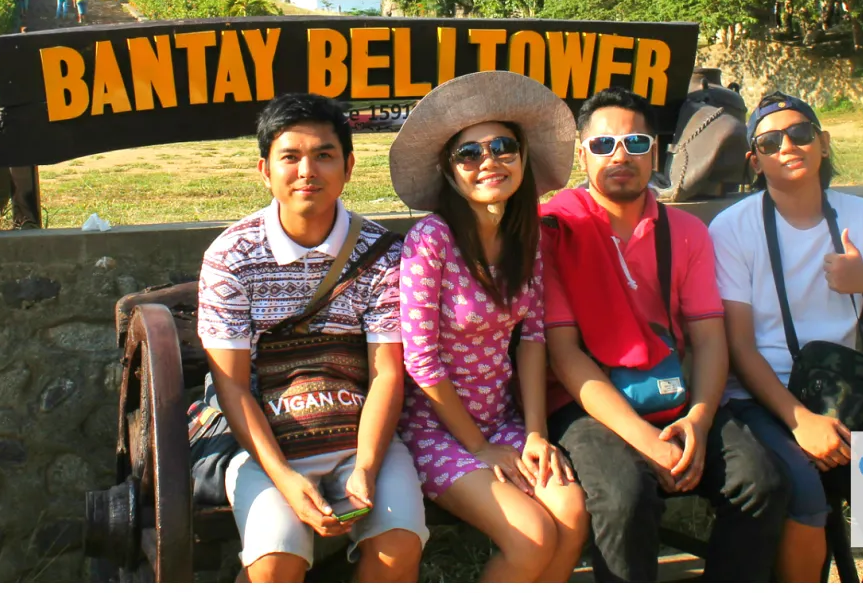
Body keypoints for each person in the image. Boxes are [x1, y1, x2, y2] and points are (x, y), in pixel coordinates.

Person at [542, 86, 789, 582]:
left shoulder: (684, 232)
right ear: (581, 154)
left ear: (655, 152)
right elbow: (565, 355)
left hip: (669, 389)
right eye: (603, 145)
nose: (620, 156)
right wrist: (648, 443)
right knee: (623, 496)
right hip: (585, 397)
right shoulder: (555, 231)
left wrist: (698, 420)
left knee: (760, 481)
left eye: (636, 144)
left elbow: (709, 338)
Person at [712, 91, 863, 582]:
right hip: (763, 395)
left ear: (823, 142)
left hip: (843, 393)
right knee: (806, 502)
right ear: (755, 161)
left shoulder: (859, 216)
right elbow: (737, 346)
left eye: (800, 134)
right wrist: (800, 421)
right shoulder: (734, 228)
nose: (788, 147)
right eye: (770, 141)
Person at [197, 94, 427, 582]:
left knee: (398, 546)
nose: (307, 170)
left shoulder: (384, 254)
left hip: (359, 436)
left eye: (323, 155)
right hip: (263, 442)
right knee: (275, 562)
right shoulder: (230, 258)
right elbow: (232, 385)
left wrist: (366, 466)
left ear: (348, 166)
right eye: (290, 157)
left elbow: (388, 370)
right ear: (265, 169)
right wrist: (284, 477)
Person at [389, 71, 589, 583]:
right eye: (469, 154)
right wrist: (478, 447)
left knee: (570, 514)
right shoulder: (431, 240)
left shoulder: (527, 238)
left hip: (502, 421)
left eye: (502, 146)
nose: (489, 162)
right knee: (533, 537)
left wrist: (537, 434)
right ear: (450, 172)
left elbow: (534, 338)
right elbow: (421, 361)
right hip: (436, 429)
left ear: (522, 156)